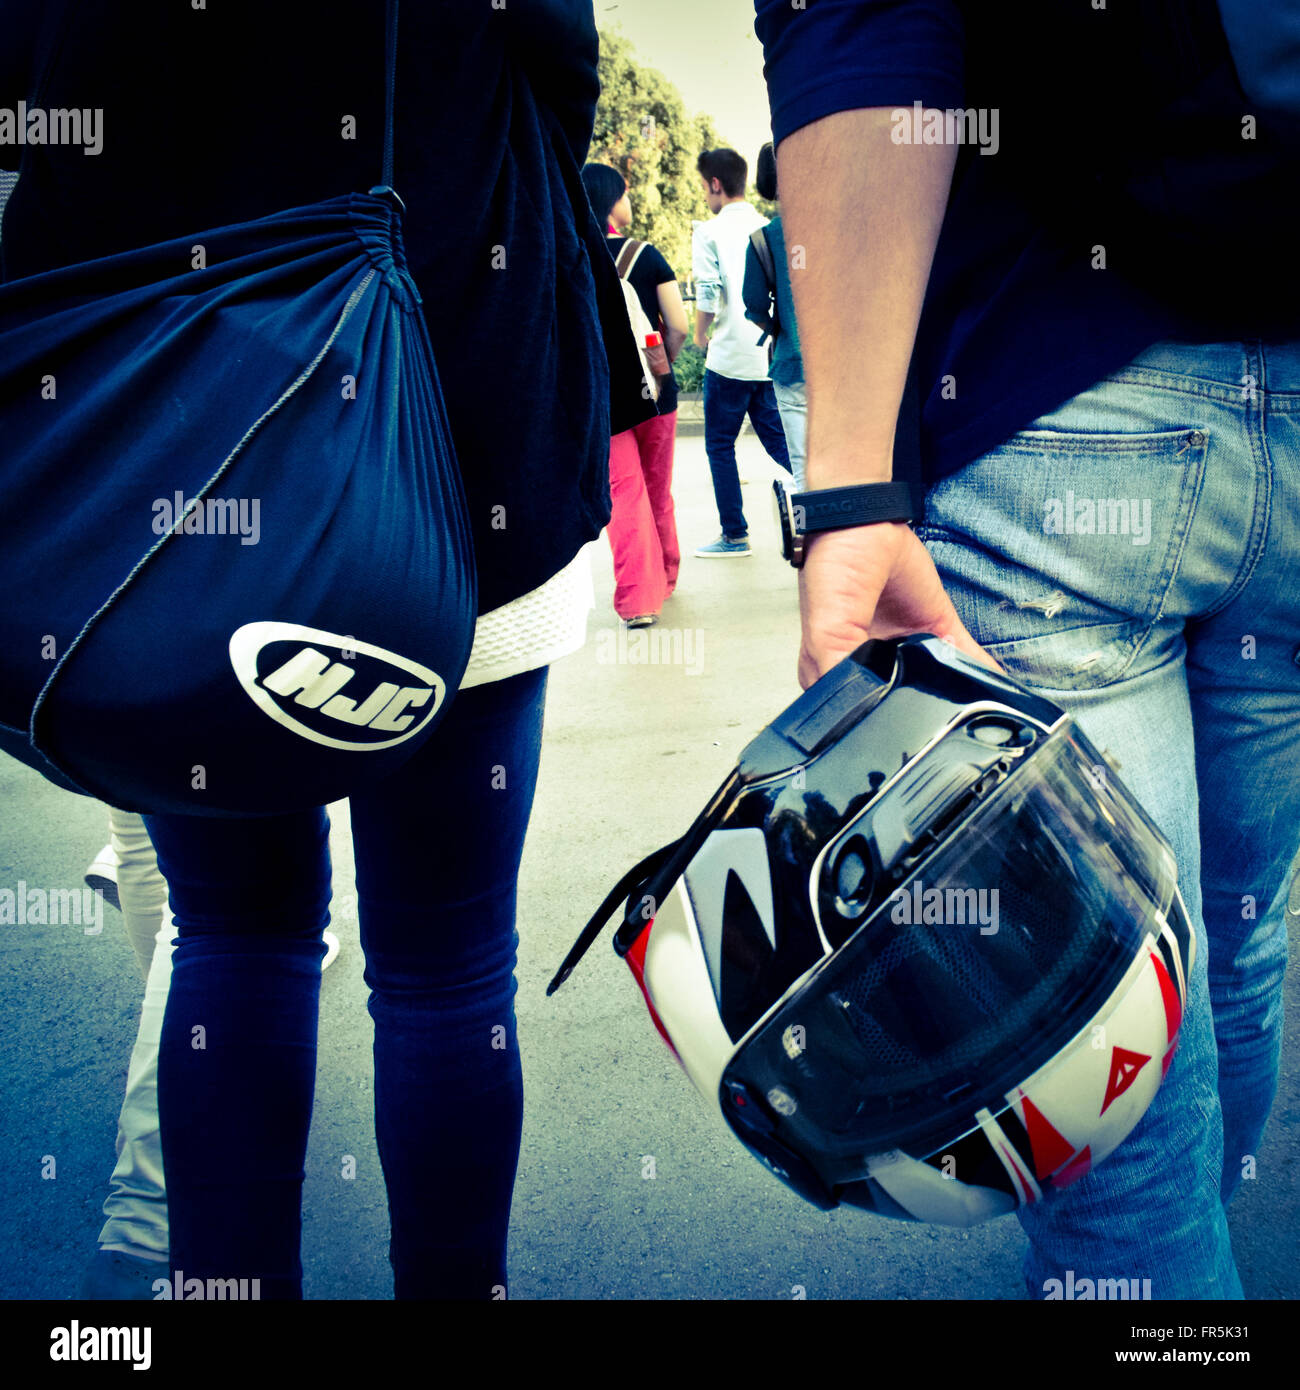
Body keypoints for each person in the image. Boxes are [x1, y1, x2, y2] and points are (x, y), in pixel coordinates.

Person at [1, 0, 652, 1300]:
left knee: (231, 932)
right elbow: (557, 58)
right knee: (448, 961)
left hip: (167, 426)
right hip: (455, 405)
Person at [755, 0, 1300, 1298]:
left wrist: (847, 495)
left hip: (1057, 401)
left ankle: (1168, 1260)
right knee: (1236, 929)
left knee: (1109, 1078)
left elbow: (872, 20)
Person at [581, 163, 689, 628]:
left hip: (603, 399)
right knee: (657, 488)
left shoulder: (570, 253)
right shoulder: (645, 256)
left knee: (624, 493)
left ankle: (639, 601)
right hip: (656, 392)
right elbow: (680, 324)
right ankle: (666, 577)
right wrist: (662, 362)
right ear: (612, 200)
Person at [691, 147, 792, 557]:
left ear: (715, 184)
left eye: (704, 187)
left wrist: (701, 335)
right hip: (765, 359)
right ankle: (829, 499)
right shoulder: (767, 227)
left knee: (719, 444)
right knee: (780, 443)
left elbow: (708, 290)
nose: (705, 196)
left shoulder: (708, 231)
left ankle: (735, 535)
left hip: (728, 358)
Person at [743, 141, 807, 490]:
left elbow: (752, 304)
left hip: (792, 364)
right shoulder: (840, 226)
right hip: (847, 368)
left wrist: (778, 324)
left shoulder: (763, 240)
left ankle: (815, 540)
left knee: (802, 469)